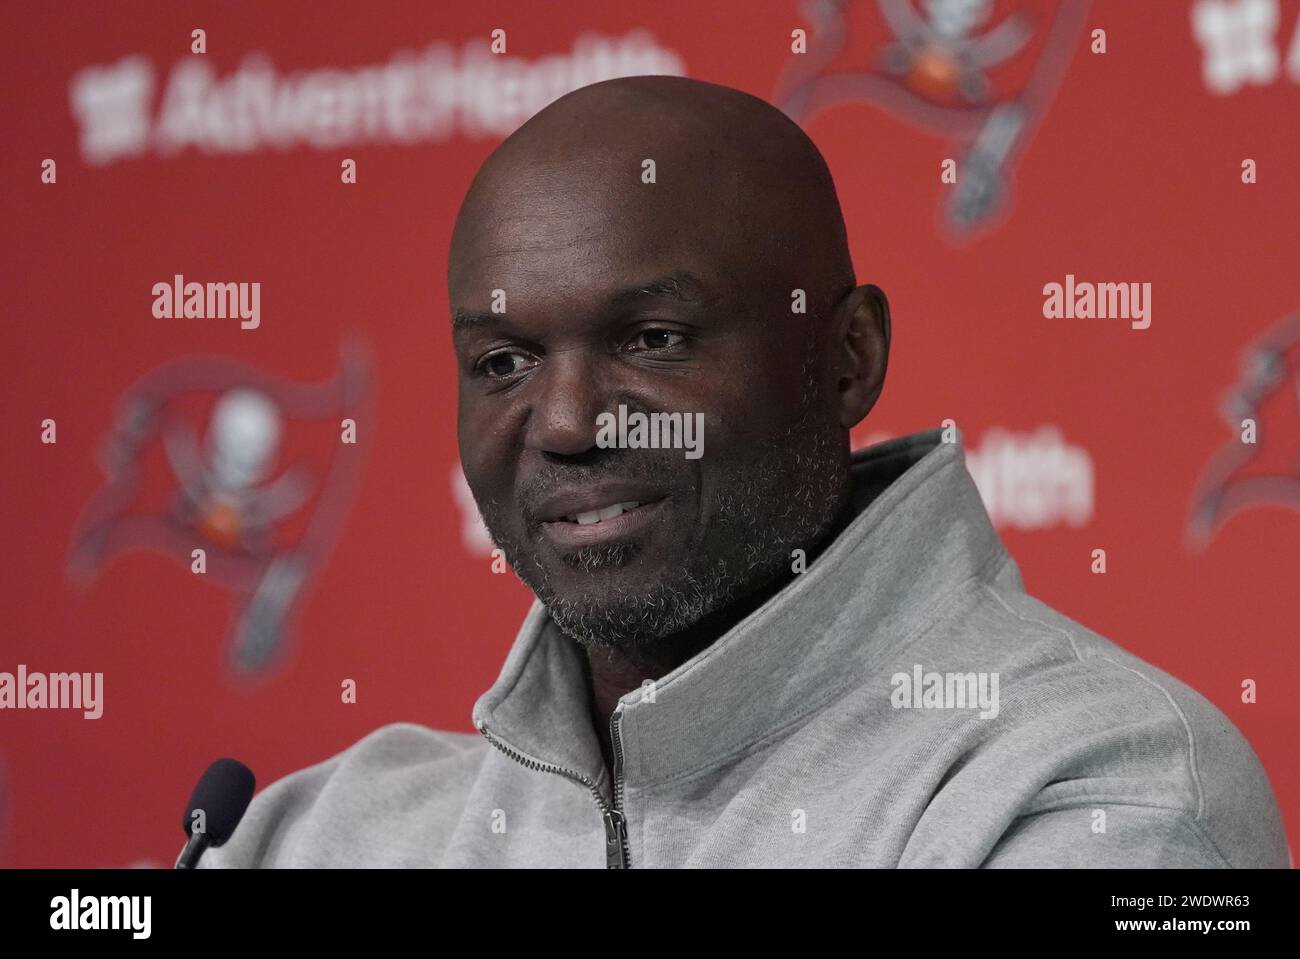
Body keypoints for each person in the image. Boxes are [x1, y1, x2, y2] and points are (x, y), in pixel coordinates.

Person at [199, 75, 1289, 868]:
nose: (566, 423)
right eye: (503, 362)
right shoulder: (324, 830)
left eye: (654, 339)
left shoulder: (1097, 786)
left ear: (848, 357)